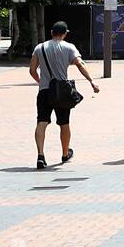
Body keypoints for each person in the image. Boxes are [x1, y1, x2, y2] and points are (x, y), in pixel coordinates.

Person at [30, 21, 100, 168]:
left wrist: (41, 82)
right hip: (61, 92)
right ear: (65, 34)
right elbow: (80, 64)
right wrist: (91, 81)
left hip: (44, 90)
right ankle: (64, 153)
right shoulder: (69, 47)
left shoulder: (39, 48)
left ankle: (40, 156)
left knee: (41, 122)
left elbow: (32, 70)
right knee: (64, 123)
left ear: (51, 32)